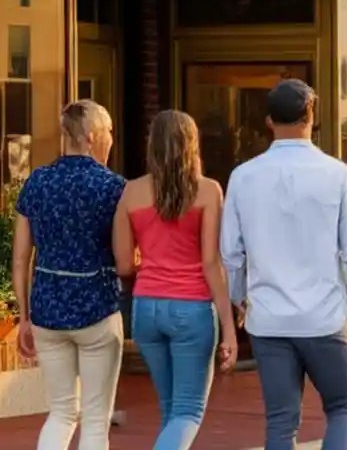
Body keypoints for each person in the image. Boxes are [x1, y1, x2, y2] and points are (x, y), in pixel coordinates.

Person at [220, 79, 347, 450]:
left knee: (280, 423)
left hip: (269, 320)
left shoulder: (243, 177)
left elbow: (231, 252)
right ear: (312, 115)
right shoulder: (338, 174)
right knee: (344, 406)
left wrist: (239, 298)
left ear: (269, 122)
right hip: (324, 317)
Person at [112, 109, 238, 450]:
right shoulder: (209, 191)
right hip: (192, 309)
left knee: (171, 410)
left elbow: (123, 265)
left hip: (146, 309)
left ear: (153, 146)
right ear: (192, 145)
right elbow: (212, 263)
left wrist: (152, 260)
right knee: (188, 411)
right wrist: (229, 327)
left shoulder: (130, 193)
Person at [12, 100, 125, 450]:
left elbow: (20, 259)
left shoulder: (37, 182)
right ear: (91, 137)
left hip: (47, 309)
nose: (111, 141)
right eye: (108, 134)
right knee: (95, 419)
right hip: (97, 308)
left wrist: (24, 317)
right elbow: (125, 257)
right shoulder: (113, 187)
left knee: (61, 412)